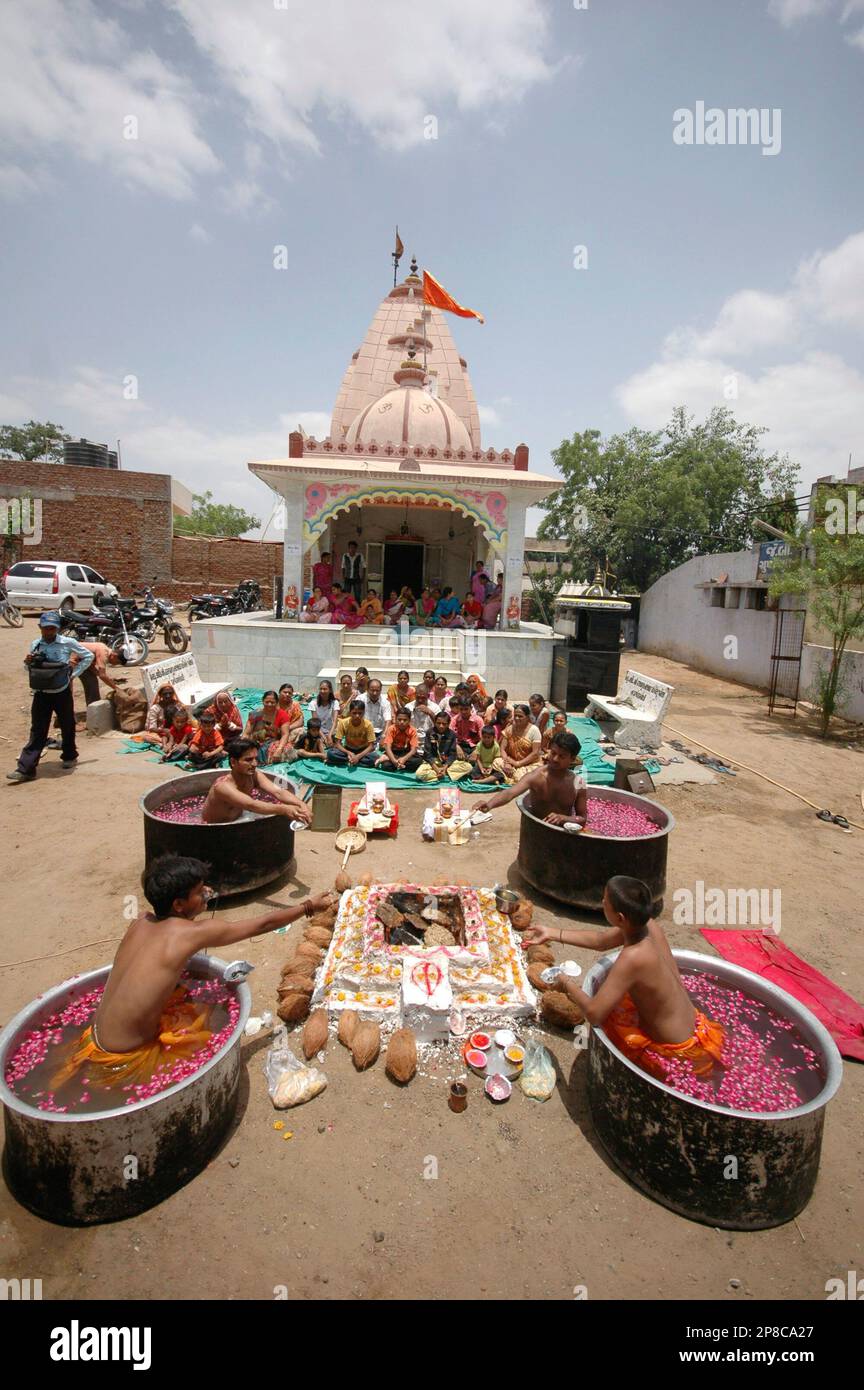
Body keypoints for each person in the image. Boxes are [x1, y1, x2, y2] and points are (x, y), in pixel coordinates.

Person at [51, 854, 335, 1082]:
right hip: (126, 1055)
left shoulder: (139, 921)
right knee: (204, 1015)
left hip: (94, 1037)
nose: (207, 894)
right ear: (178, 904)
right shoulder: (189, 934)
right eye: (200, 893)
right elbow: (261, 925)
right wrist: (309, 905)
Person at [523, 877, 725, 1082]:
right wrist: (552, 933)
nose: (602, 903)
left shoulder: (633, 957)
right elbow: (601, 941)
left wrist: (564, 981)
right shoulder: (647, 926)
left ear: (620, 918)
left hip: (678, 1052)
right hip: (699, 1028)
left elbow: (594, 1014)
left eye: (605, 902)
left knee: (613, 1019)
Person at [8, 611, 95, 783]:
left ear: (58, 629)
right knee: (38, 730)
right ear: (40, 627)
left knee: (67, 724)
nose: (49, 631)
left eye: (52, 628)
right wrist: (28, 663)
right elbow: (30, 669)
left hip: (61, 692)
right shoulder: (36, 644)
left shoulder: (67, 642)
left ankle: (69, 755)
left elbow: (88, 656)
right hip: (41, 693)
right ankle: (26, 769)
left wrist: (73, 674)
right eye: (46, 628)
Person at [475, 729, 587, 824]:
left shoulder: (578, 784)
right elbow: (510, 793)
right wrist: (489, 804)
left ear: (572, 759)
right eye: (553, 753)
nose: (555, 759)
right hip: (536, 827)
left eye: (562, 756)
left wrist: (564, 818)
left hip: (563, 833)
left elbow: (582, 818)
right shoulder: (537, 776)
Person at [202, 738, 313, 824]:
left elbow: (278, 792)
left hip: (237, 821)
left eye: (256, 758)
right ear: (233, 762)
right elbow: (252, 805)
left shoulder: (253, 775)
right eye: (248, 760)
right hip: (214, 830)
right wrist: (285, 809)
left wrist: (301, 804)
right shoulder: (222, 786)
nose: (255, 764)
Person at [416, 710, 470, 782]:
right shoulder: (430, 732)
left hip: (447, 764)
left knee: (468, 767)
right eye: (438, 723)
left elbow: (452, 754)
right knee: (419, 774)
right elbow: (427, 754)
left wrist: (445, 767)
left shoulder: (452, 734)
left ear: (448, 724)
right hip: (432, 763)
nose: (441, 726)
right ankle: (444, 775)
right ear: (435, 723)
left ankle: (441, 774)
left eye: (444, 724)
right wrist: (436, 769)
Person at [496, 703, 543, 782]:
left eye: (520, 716)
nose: (517, 718)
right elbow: (502, 748)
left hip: (529, 764)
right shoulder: (510, 729)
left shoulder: (534, 730)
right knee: (496, 762)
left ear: (527, 717)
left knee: (519, 776)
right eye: (515, 716)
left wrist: (518, 763)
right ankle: (510, 775)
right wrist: (507, 762)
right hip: (511, 761)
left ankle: (508, 777)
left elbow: (535, 753)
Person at [243, 690, 292, 765]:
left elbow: (285, 734)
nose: (269, 704)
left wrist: (279, 749)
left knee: (288, 751)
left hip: (273, 742)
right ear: (262, 701)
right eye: (267, 702)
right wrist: (244, 745)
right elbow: (246, 733)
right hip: (255, 742)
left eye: (272, 702)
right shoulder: (255, 714)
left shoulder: (283, 715)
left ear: (277, 702)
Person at [327, 699, 378, 768]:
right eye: (354, 713)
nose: (357, 716)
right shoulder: (343, 723)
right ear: (350, 712)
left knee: (374, 757)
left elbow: (371, 746)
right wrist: (349, 753)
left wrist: (358, 756)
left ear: (363, 713)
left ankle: (349, 761)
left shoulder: (368, 724)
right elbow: (337, 743)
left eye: (360, 713)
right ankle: (353, 761)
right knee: (330, 753)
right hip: (348, 749)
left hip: (362, 750)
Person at [77, 640, 128, 705]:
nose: (115, 664)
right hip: (70, 658)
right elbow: (102, 675)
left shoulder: (104, 649)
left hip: (80, 661)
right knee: (92, 682)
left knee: (92, 681)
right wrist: (117, 689)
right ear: (114, 655)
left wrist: (110, 680)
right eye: (117, 662)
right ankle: (94, 708)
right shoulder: (104, 652)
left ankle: (94, 706)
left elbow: (91, 666)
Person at [376, 707, 422, 772]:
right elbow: (388, 747)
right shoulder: (391, 729)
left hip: (406, 753)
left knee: (418, 762)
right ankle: (396, 763)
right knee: (386, 766)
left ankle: (389, 759)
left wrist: (403, 759)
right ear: (395, 719)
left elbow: (413, 750)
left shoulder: (413, 730)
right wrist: (394, 761)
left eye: (405, 720)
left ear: (409, 720)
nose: (402, 722)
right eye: (399, 719)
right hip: (394, 752)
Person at [406, 686, 438, 753]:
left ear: (428, 696)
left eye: (423, 698)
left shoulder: (435, 707)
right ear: (415, 695)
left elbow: (441, 726)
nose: (420, 700)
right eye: (418, 697)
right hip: (412, 740)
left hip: (429, 740)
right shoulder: (408, 707)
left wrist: (430, 713)